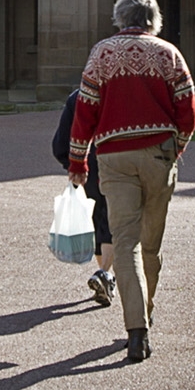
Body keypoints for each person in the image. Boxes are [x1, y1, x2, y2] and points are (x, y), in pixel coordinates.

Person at [68, 0, 195, 364]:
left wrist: (78, 162)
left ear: (120, 18)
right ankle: (146, 313)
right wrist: (177, 147)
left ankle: (136, 330)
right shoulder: (168, 53)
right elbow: (188, 108)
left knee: (125, 243)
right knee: (151, 245)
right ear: (153, 19)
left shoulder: (102, 53)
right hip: (159, 155)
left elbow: (85, 109)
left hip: (114, 156)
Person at [51, 87, 116, 306]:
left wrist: (72, 165)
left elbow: (60, 144)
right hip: (118, 164)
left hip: (89, 168)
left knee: (98, 220)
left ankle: (105, 276)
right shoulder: (121, 91)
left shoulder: (78, 97)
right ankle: (104, 273)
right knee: (113, 222)